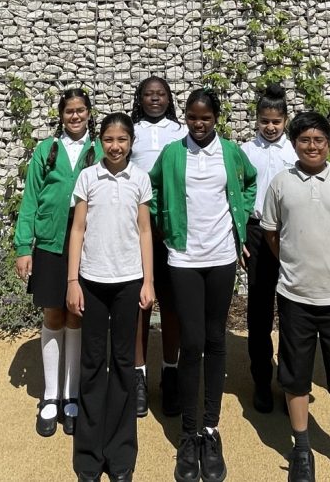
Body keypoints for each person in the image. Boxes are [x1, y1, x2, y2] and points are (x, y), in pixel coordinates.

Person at [149, 87, 256, 482]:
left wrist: (239, 222)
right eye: (192, 118)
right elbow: (154, 188)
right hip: (184, 259)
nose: (198, 124)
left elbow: (249, 183)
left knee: (215, 340)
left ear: (216, 118)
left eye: (205, 118)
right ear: (186, 118)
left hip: (222, 257)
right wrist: (164, 225)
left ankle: (211, 430)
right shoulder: (173, 153)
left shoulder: (229, 151)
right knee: (191, 343)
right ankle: (189, 434)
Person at [260, 110, 330, 482]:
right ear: (295, 144)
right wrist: (296, 265)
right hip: (295, 297)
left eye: (319, 140)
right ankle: (302, 449)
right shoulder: (280, 183)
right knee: (294, 377)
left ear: (329, 144)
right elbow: (272, 236)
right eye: (305, 140)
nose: (312, 146)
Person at [66, 112, 156, 482]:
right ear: (99, 142)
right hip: (92, 281)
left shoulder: (140, 179)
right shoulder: (88, 177)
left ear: (131, 142)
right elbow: (78, 229)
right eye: (108, 140)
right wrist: (72, 280)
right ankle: (88, 455)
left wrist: (149, 281)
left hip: (129, 282)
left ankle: (120, 455)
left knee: (123, 364)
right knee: (91, 364)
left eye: (122, 140)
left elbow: (145, 231)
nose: (115, 146)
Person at [14, 88, 102, 438]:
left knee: (76, 314)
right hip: (50, 243)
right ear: (61, 115)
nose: (75, 116)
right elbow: (31, 197)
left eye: (81, 110)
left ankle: (71, 393)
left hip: (88, 241)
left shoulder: (99, 149)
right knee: (53, 313)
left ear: (89, 113)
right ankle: (50, 395)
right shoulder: (45, 150)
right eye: (69, 111)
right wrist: (24, 245)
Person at [128, 75, 187, 417]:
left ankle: (170, 371)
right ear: (140, 98)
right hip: (136, 224)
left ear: (168, 99)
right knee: (140, 301)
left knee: (172, 302)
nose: (154, 99)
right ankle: (138, 376)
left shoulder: (178, 132)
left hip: (169, 225)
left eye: (160, 94)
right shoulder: (131, 130)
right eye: (148, 94)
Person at [239, 83, 293, 413]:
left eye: (276, 121)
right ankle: (261, 380)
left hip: (290, 235)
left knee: (291, 311)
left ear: (286, 119)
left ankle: (289, 383)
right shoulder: (246, 151)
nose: (270, 127)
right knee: (259, 310)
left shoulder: (295, 151)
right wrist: (240, 237)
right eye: (264, 121)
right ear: (257, 120)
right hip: (257, 233)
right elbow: (238, 193)